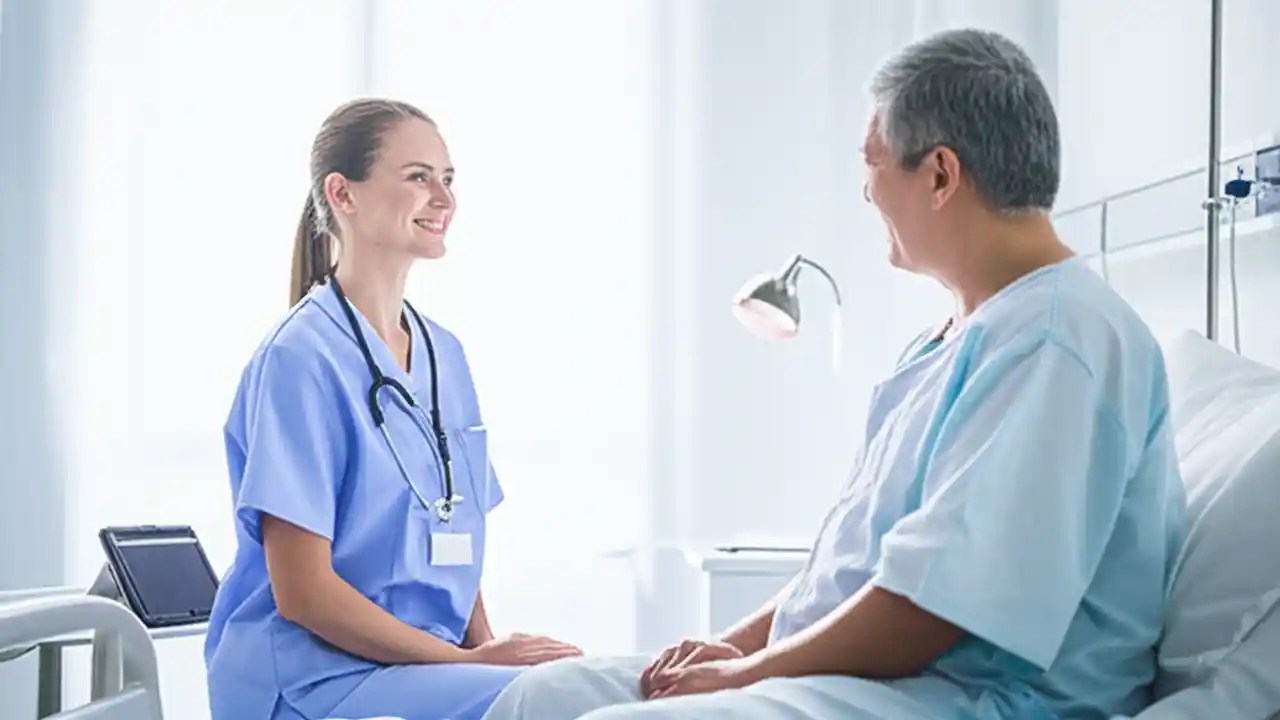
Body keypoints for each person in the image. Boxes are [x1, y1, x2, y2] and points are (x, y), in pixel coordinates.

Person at [482, 28, 1186, 720]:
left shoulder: (1058, 341)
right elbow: (851, 570)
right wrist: (725, 649)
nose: (867, 192)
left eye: (874, 164)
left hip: (973, 696)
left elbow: (933, 604)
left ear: (939, 174)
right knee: (544, 695)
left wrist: (749, 673)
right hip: (875, 678)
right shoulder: (964, 333)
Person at [204, 99, 581, 720]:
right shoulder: (301, 359)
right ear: (343, 195)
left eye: (448, 179)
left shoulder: (444, 355)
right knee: (566, 701)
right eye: (418, 177)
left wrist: (490, 650)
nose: (444, 198)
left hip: (418, 668)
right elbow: (304, 594)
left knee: (590, 685)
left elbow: (451, 527)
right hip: (313, 680)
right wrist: (472, 668)